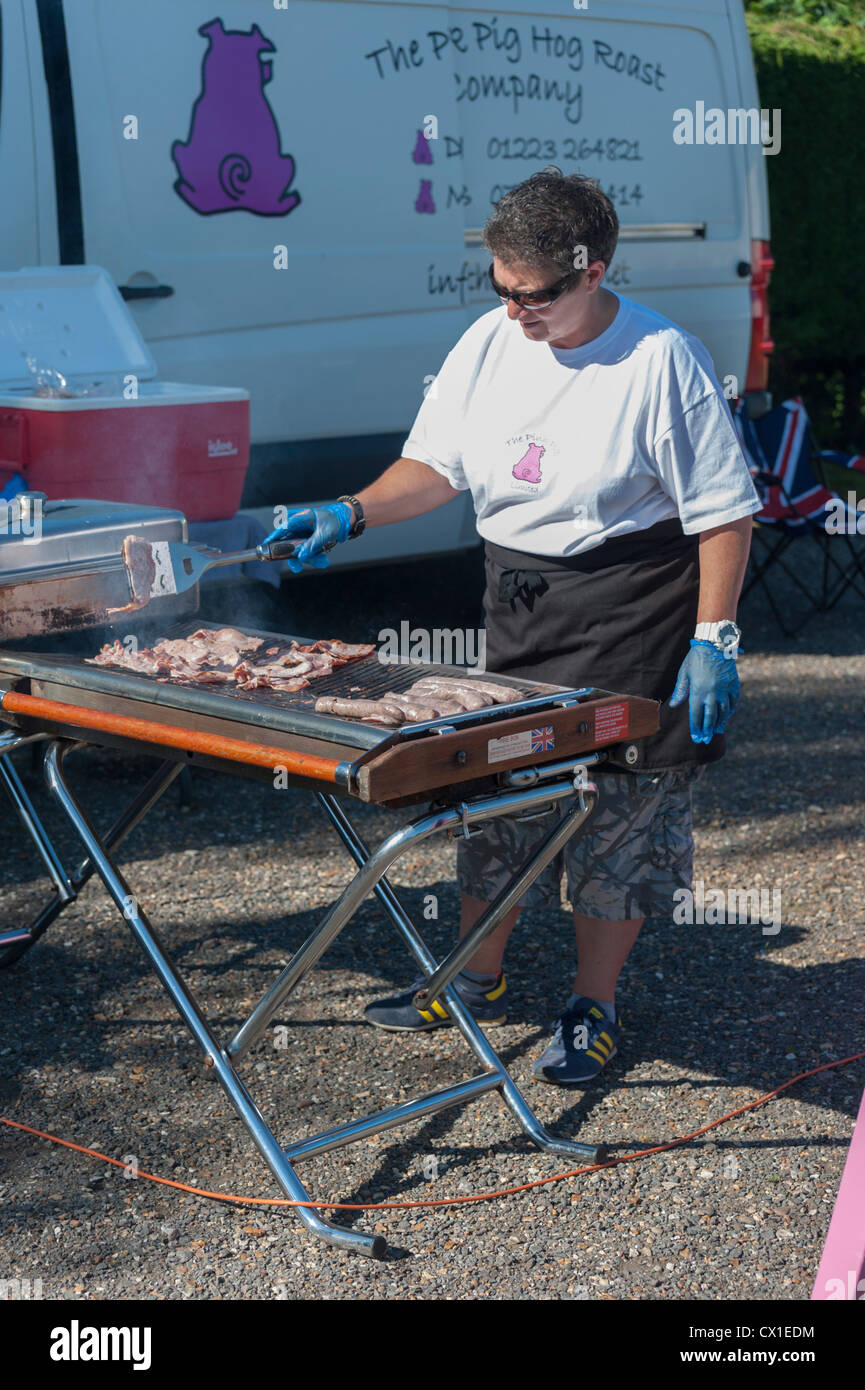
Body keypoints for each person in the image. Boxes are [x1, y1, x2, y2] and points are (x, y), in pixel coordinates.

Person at [265, 169, 761, 1086]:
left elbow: (724, 514)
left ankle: (591, 1005)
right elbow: (434, 466)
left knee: (615, 816)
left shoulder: (661, 360)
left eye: (533, 296)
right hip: (520, 606)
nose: (515, 312)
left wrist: (712, 637)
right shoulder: (489, 342)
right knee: (492, 803)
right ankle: (472, 978)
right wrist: (349, 512)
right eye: (500, 290)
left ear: (594, 271)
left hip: (633, 612)